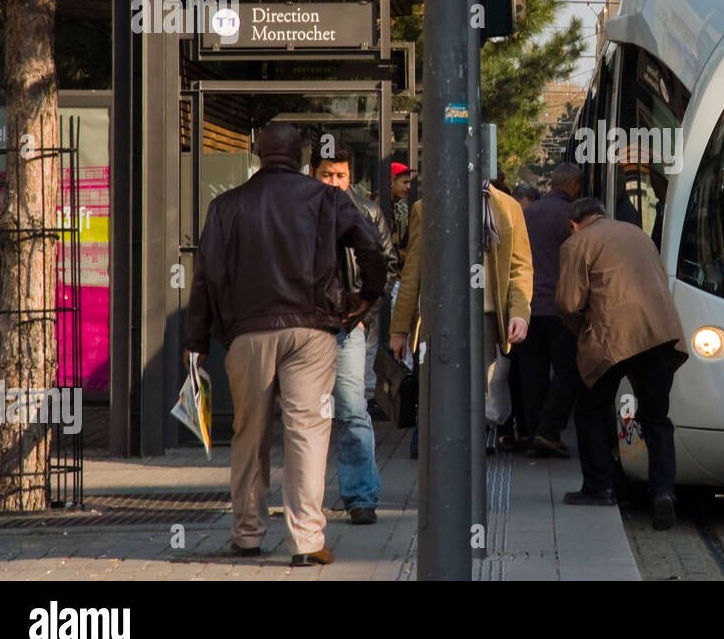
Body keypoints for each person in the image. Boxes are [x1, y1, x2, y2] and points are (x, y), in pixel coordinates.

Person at [184, 124, 386, 566]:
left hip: (248, 333)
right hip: (312, 330)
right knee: (308, 431)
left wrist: (197, 340)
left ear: (258, 154)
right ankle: (307, 539)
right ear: (300, 159)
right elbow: (371, 247)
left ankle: (247, 533)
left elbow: (207, 276)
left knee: (249, 433)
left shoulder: (226, 206)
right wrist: (366, 297)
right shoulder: (328, 200)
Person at [556, 197, 687, 531]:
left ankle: (600, 487)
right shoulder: (637, 234)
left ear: (574, 222)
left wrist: (582, 332)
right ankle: (663, 493)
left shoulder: (577, 243)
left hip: (612, 335)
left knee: (591, 409)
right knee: (657, 418)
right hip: (659, 333)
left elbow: (568, 303)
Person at [389, 180, 533, 456]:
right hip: (439, 317)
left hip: (487, 319)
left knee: (480, 396)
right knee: (439, 394)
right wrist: (399, 329)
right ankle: (441, 452)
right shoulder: (426, 208)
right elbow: (413, 272)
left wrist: (519, 314)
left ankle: (468, 456)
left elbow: (519, 269)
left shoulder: (507, 208)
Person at [310, 142, 398, 524]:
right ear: (312, 172)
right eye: (327, 174)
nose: (334, 183)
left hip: (348, 326)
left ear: (351, 176)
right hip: (304, 326)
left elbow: (387, 265)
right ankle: (305, 501)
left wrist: (365, 306)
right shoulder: (298, 208)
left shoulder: (368, 211)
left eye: (341, 175)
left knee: (351, 409)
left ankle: (360, 496)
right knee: (301, 415)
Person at [512, 164, 582, 458]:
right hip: (560, 308)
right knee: (567, 370)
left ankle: (531, 431)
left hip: (528, 305)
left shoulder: (527, 213)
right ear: (575, 186)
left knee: (532, 373)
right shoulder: (572, 218)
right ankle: (549, 430)